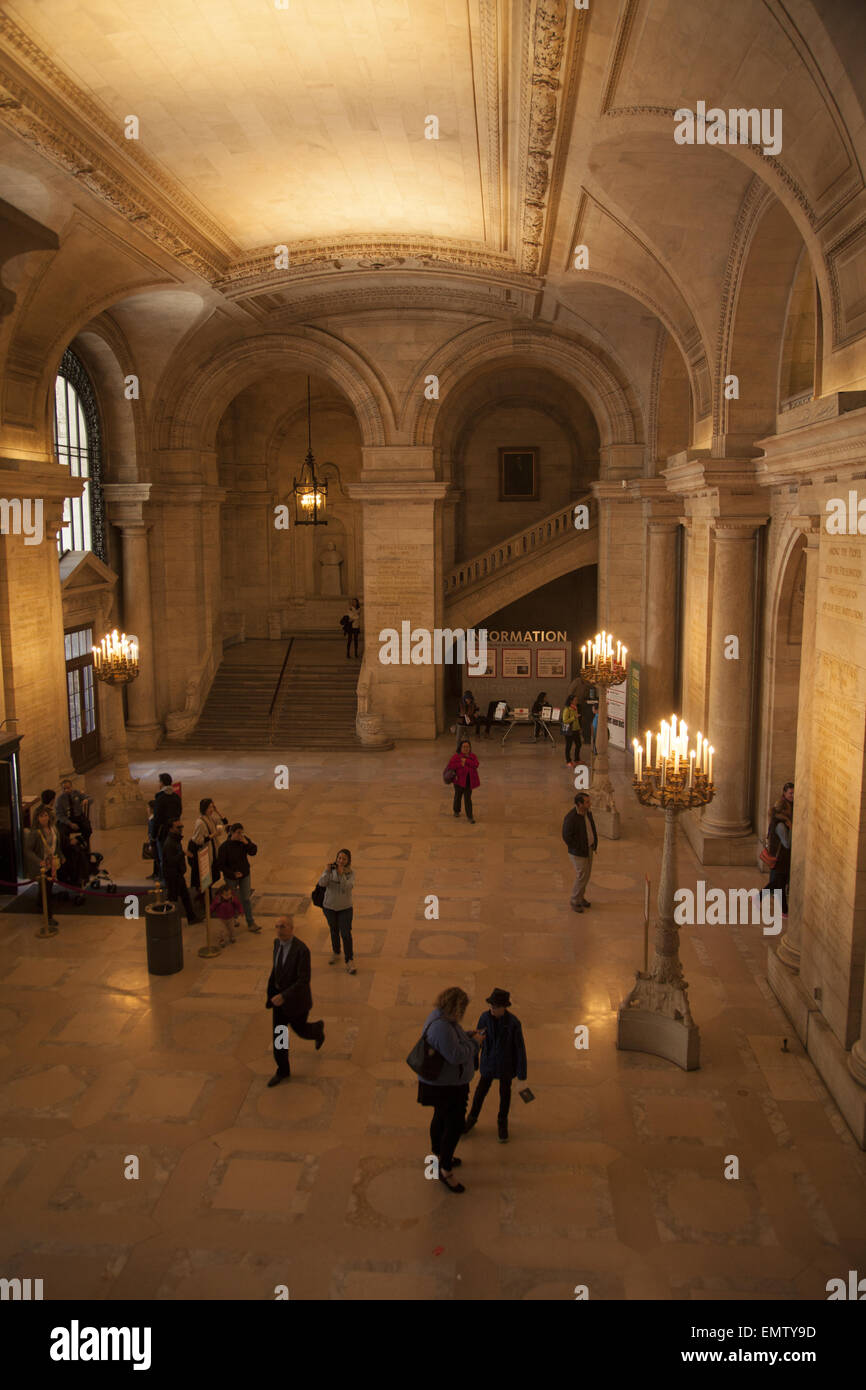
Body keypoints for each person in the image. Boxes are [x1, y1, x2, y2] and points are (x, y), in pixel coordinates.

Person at [416, 986, 484, 1194]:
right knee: (454, 1126)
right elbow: (456, 1055)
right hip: (446, 1087)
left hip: (442, 1084)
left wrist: (465, 1035)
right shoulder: (442, 1027)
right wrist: (474, 1043)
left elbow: (450, 1040)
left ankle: (438, 1153)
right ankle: (445, 1170)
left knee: (440, 1117)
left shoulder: (439, 1017)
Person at [265, 915, 325, 1086]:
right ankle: (283, 1070)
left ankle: (317, 1030)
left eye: (282, 926)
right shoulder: (277, 944)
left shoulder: (301, 950)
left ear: (292, 928)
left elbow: (303, 980)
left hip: (296, 1002)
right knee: (280, 1036)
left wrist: (284, 995)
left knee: (301, 1030)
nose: (279, 930)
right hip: (279, 1003)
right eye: (277, 926)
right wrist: (271, 994)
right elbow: (276, 970)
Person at [463, 988, 528, 1143]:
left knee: (505, 1095)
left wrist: (521, 1073)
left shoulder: (513, 1023)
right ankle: (472, 1118)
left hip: (506, 1066)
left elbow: (520, 1048)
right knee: (480, 1093)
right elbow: (478, 1040)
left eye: (496, 1006)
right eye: (491, 1006)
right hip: (489, 1063)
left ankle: (502, 1122)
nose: (492, 1009)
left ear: (504, 1007)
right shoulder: (484, 1018)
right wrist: (475, 1062)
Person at [215, 823, 260, 932]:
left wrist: (246, 843)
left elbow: (253, 851)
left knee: (246, 898)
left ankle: (250, 922)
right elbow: (221, 865)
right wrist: (233, 874)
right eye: (238, 833)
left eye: (242, 833)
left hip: (244, 874)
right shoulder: (224, 847)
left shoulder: (243, 841)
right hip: (231, 877)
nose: (240, 835)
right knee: (231, 898)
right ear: (232, 833)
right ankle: (232, 919)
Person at [318, 848, 356, 974]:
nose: (340, 861)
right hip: (329, 907)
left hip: (345, 908)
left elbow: (347, 888)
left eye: (344, 859)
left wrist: (341, 875)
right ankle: (336, 952)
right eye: (339, 858)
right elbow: (322, 883)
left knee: (345, 933)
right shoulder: (330, 870)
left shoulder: (350, 873)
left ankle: (349, 960)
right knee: (333, 930)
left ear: (348, 861)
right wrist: (326, 872)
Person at [761, 782, 794, 917]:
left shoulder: (785, 815)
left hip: (783, 858)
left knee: (778, 882)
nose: (793, 795)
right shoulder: (781, 824)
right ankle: (783, 911)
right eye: (791, 793)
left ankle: (759, 897)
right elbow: (786, 843)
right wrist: (792, 829)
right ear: (784, 793)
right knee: (778, 882)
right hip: (781, 857)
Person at [562, 792, 598, 914]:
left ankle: (580, 898)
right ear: (579, 804)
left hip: (588, 848)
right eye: (587, 802)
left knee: (586, 876)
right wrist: (578, 847)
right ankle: (574, 900)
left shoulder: (587, 813)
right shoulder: (571, 817)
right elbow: (566, 837)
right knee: (581, 876)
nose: (590, 803)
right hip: (578, 852)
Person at [23, 806, 59, 926]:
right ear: (37, 818)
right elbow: (28, 850)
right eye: (41, 816)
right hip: (42, 866)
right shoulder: (35, 833)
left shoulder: (53, 829)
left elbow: (56, 845)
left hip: (51, 863)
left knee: (47, 889)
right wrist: (39, 861)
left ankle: (40, 905)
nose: (44, 818)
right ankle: (48, 917)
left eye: (46, 815)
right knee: (46, 891)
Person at [162, 817, 201, 925]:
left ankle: (191, 917)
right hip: (173, 875)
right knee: (173, 898)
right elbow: (171, 861)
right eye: (178, 827)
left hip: (177, 873)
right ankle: (168, 920)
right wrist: (183, 853)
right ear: (171, 829)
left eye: (181, 826)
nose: (181, 829)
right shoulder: (170, 843)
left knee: (184, 896)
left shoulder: (175, 839)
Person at [188, 797, 228, 899]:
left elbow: (224, 822)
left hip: (213, 850)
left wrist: (217, 811)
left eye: (212, 807)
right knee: (207, 877)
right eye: (209, 807)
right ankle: (205, 897)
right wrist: (214, 835)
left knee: (215, 875)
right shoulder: (200, 822)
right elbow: (198, 840)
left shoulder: (211, 818)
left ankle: (204, 895)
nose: (211, 809)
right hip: (205, 852)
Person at [152, 773, 182, 886]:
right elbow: (179, 812)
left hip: (163, 832)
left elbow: (157, 818)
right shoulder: (176, 797)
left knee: (163, 857)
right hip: (175, 831)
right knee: (175, 855)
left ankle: (166, 881)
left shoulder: (160, 798)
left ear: (162, 783)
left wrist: (154, 834)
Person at [446, 739, 479, 823]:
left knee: (468, 799)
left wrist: (466, 761)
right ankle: (456, 811)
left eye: (467, 747)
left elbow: (476, 764)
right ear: (460, 748)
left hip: (468, 782)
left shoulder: (473, 756)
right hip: (458, 782)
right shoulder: (456, 757)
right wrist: (461, 764)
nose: (466, 748)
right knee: (458, 796)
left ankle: (470, 817)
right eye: (464, 747)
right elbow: (451, 766)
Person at [55, 778, 92, 850]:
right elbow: (59, 815)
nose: (66, 790)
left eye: (68, 788)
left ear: (71, 787)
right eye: (64, 789)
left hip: (78, 817)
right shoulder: (60, 799)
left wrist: (86, 800)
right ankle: (68, 847)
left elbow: (90, 798)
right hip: (67, 819)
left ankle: (78, 840)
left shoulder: (77, 793)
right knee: (61, 833)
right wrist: (70, 823)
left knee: (87, 828)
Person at [211, 880, 243, 947]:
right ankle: (222, 940)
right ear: (221, 894)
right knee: (222, 930)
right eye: (226, 895)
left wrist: (241, 911)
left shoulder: (232, 899)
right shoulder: (218, 900)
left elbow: (238, 905)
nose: (228, 896)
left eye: (229, 894)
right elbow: (213, 906)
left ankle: (232, 937)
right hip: (221, 918)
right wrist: (209, 911)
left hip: (231, 917)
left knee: (231, 929)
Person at [562, 696, 581, 766]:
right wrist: (574, 717)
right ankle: (568, 761)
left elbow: (577, 721)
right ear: (571, 701)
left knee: (579, 744)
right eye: (575, 700)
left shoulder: (575, 708)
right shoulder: (567, 709)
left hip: (576, 730)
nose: (577, 701)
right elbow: (565, 721)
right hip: (569, 731)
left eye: (577, 700)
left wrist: (579, 728)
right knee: (568, 746)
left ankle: (577, 759)